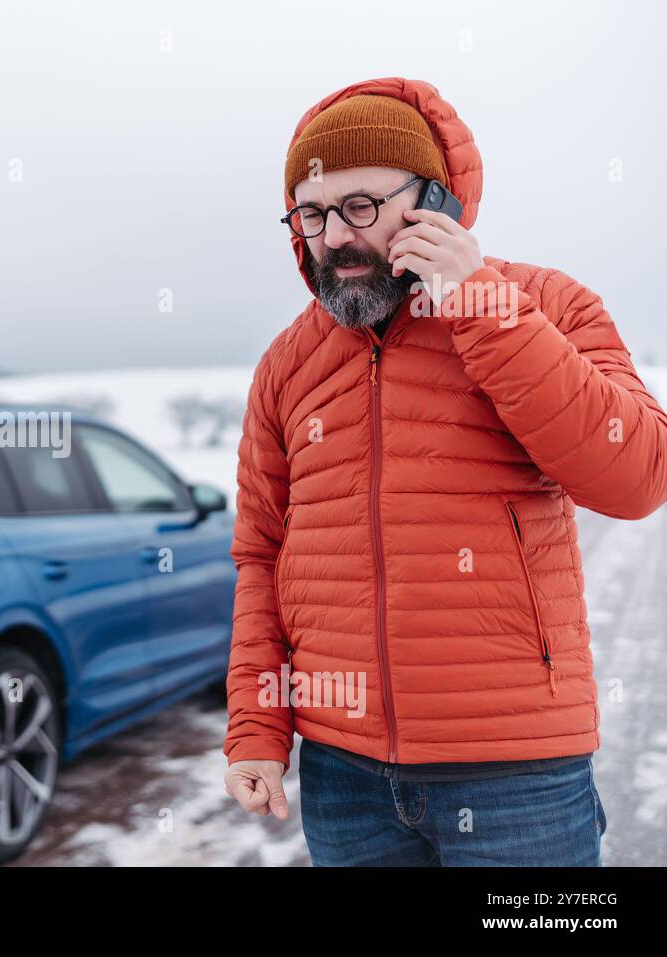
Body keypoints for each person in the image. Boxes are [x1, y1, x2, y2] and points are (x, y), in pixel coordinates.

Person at [222, 77, 667, 865]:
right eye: (312, 214)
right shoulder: (287, 366)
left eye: (359, 206)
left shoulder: (544, 304)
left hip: (519, 772)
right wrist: (258, 728)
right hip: (342, 777)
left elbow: (634, 477)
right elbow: (261, 555)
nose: (332, 237)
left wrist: (483, 306)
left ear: (436, 199)